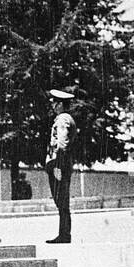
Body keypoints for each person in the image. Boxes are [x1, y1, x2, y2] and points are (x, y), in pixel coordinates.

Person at [44, 88, 77, 243]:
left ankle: (64, 234)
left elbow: (62, 142)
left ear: (60, 105)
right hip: (62, 162)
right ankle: (64, 233)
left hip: (60, 163)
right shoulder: (64, 118)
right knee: (62, 200)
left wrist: (58, 163)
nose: (53, 105)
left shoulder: (62, 119)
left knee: (61, 199)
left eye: (55, 103)